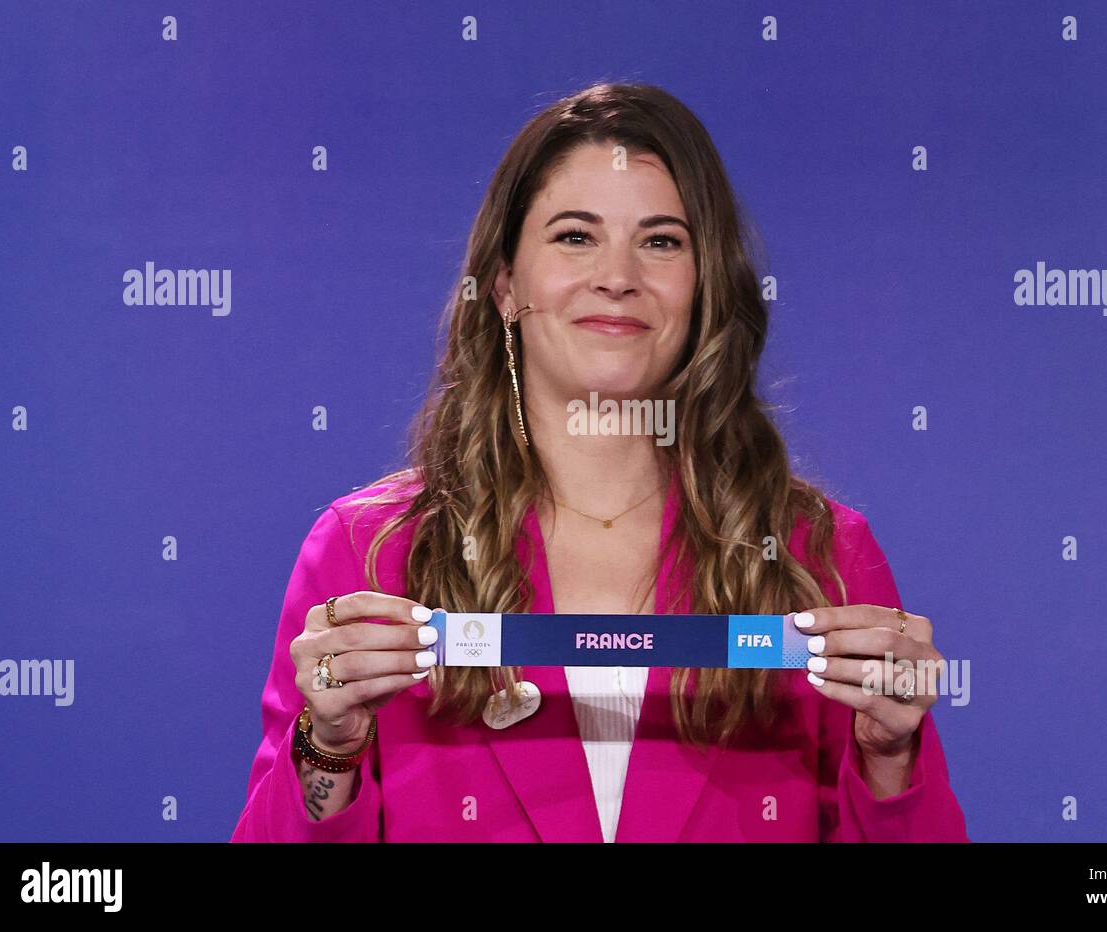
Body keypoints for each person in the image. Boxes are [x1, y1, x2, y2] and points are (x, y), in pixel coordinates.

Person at [230, 82, 969, 843]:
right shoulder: (369, 550)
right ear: (507, 285)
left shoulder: (824, 557)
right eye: (575, 236)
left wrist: (890, 758)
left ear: (705, 287)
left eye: (661, 241)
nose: (618, 276)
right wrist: (331, 747)